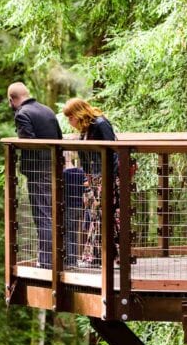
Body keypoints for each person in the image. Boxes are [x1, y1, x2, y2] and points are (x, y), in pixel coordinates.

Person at [62, 98, 125, 266]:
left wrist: (107, 180)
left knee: (106, 216)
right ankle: (100, 257)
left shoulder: (100, 124)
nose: (70, 121)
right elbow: (85, 156)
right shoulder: (85, 129)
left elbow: (112, 151)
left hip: (107, 177)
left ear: (78, 114)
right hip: (94, 178)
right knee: (97, 216)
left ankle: (111, 257)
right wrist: (87, 177)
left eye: (70, 117)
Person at [8, 82, 61, 268]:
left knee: (43, 215)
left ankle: (46, 261)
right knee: (54, 213)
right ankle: (60, 258)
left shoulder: (22, 114)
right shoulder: (47, 110)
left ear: (12, 99)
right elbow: (59, 138)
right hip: (54, 167)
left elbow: (28, 143)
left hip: (38, 171)